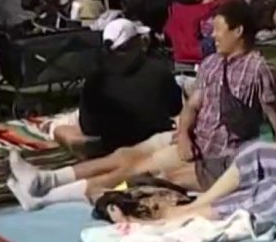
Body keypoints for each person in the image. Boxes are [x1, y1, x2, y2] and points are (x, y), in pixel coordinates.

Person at [7, 1, 276, 209]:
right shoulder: (211, 64)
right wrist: (185, 134)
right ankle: (46, 182)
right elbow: (190, 107)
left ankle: (45, 196)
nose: (213, 36)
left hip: (223, 156)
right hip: (192, 142)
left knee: (137, 171)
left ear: (238, 31)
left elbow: (275, 121)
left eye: (219, 31)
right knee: (126, 158)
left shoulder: (259, 70)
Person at [101, 29, 276, 224]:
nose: (213, 35)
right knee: (255, 152)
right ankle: (191, 208)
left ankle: (178, 217)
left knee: (266, 191)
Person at [49, 18, 183, 155]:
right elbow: (175, 107)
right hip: (151, 137)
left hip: (108, 144)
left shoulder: (96, 78)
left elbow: (87, 126)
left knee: (58, 128)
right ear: (136, 42)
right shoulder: (159, 71)